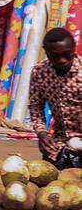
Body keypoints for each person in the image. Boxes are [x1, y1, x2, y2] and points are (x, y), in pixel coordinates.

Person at [29, 27, 82, 164]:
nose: (62, 60)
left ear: (74, 48)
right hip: (59, 142)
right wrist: (42, 133)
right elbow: (36, 107)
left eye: (67, 54)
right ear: (45, 51)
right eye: (55, 56)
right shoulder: (39, 72)